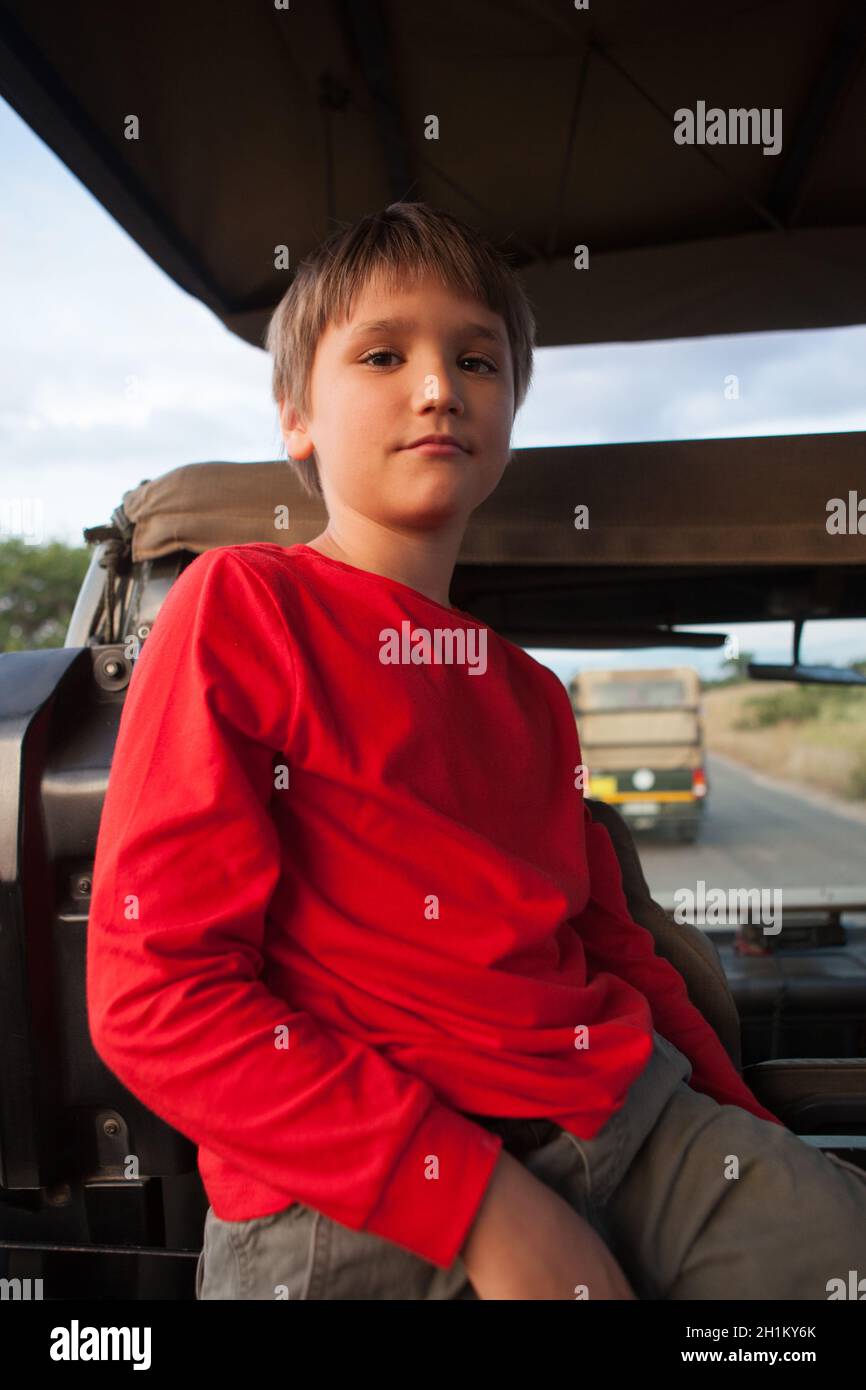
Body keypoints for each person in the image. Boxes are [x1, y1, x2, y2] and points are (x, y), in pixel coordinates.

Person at [86, 201, 866, 1301]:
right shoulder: (244, 606)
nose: (439, 386)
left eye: (476, 359)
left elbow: (612, 949)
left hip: (629, 1122)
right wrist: (480, 1203)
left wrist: (748, 1132)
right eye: (383, 353)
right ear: (295, 416)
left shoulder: (533, 696)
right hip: (353, 1184)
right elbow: (156, 992)